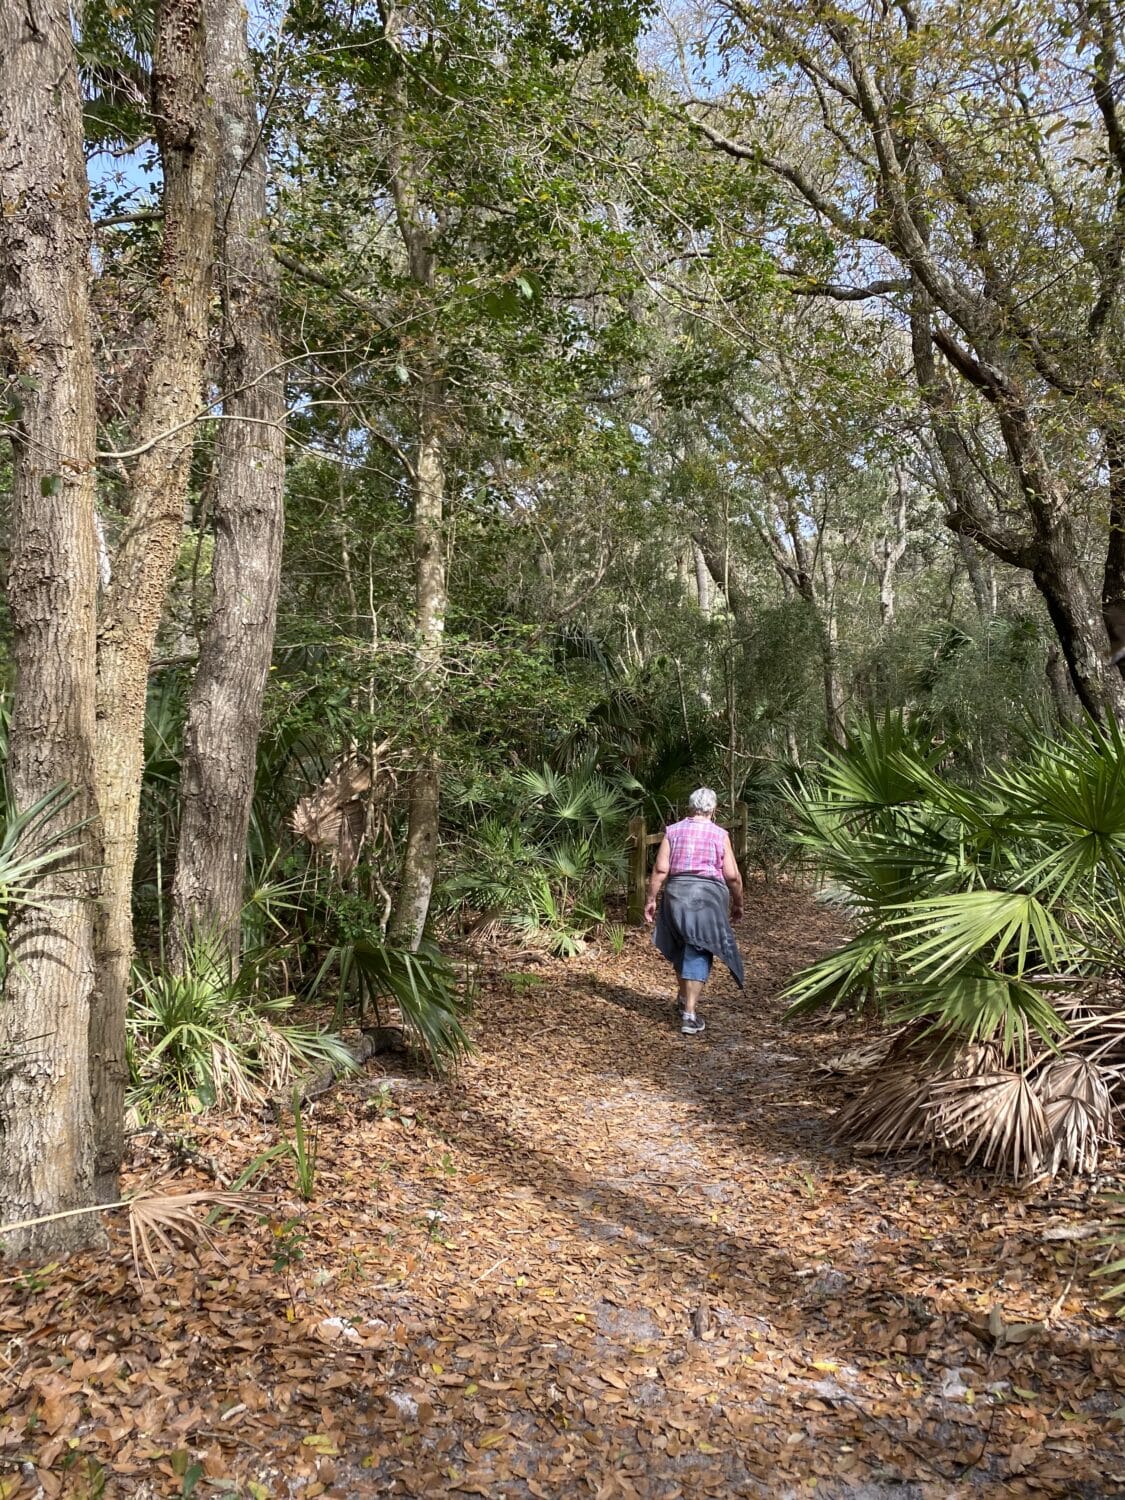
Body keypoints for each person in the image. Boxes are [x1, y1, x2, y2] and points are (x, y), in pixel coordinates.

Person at [643, 788, 745, 1036]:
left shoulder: (673, 831)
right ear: (713, 809)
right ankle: (689, 1015)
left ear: (690, 807)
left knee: (681, 943)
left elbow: (660, 869)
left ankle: (682, 998)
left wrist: (651, 899)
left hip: (677, 894)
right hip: (708, 897)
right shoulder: (719, 835)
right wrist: (738, 903)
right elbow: (732, 875)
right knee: (699, 947)